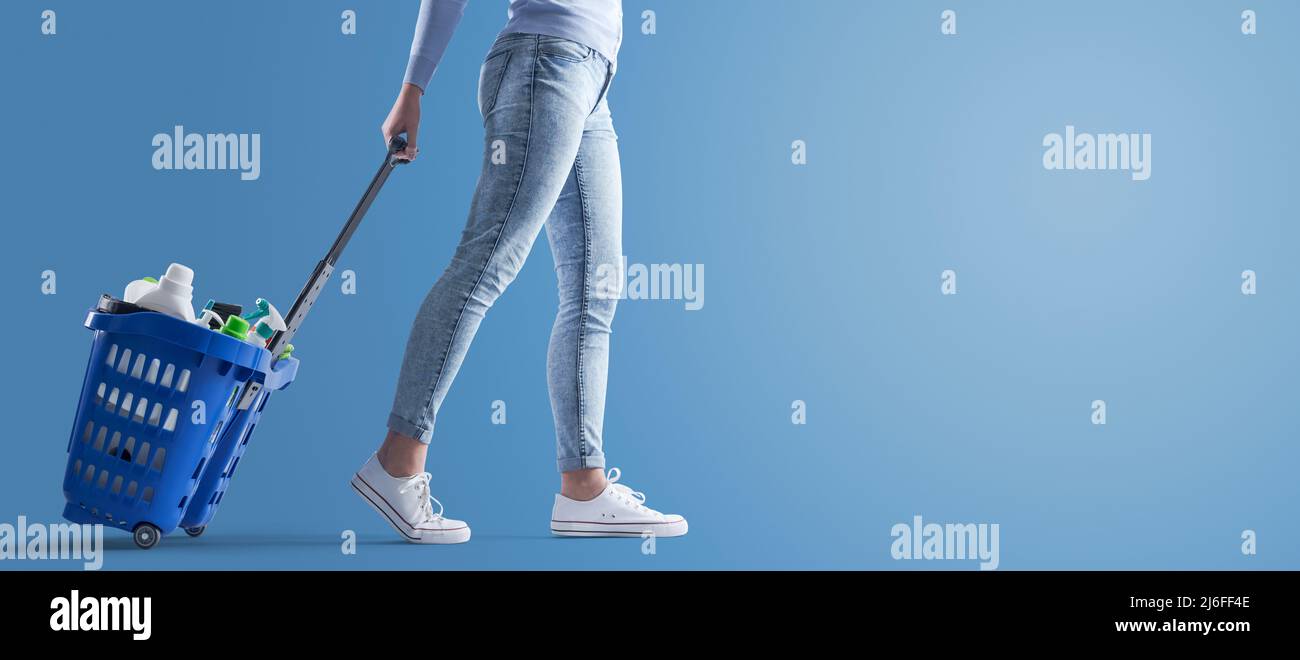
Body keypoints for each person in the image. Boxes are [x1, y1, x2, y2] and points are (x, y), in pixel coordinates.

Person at [349, 0, 688, 543]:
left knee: (594, 289)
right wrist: (413, 87)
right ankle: (397, 461)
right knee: (486, 264)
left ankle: (583, 486)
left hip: (591, 78)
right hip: (544, 63)